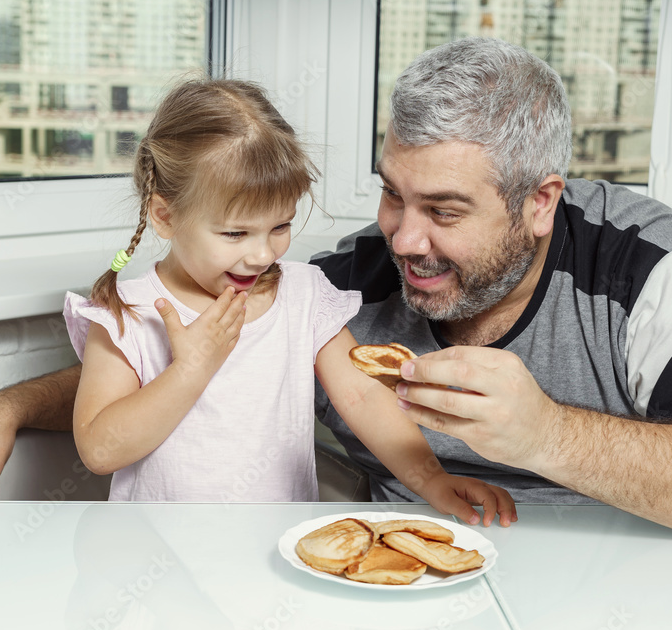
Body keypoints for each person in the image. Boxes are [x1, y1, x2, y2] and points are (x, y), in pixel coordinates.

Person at [0, 38, 672, 540]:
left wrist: (531, 440)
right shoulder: (354, 271)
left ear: (541, 203)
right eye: (391, 192)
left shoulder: (646, 269)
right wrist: (10, 404)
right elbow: (188, 356)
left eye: (445, 209)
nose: (403, 237)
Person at [50, 78, 513, 524]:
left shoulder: (303, 295)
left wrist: (432, 480)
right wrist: (190, 370)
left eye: (279, 226)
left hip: (277, 562)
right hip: (155, 576)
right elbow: (99, 450)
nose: (262, 253)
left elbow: (363, 396)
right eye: (235, 233)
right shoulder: (127, 314)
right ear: (165, 217)